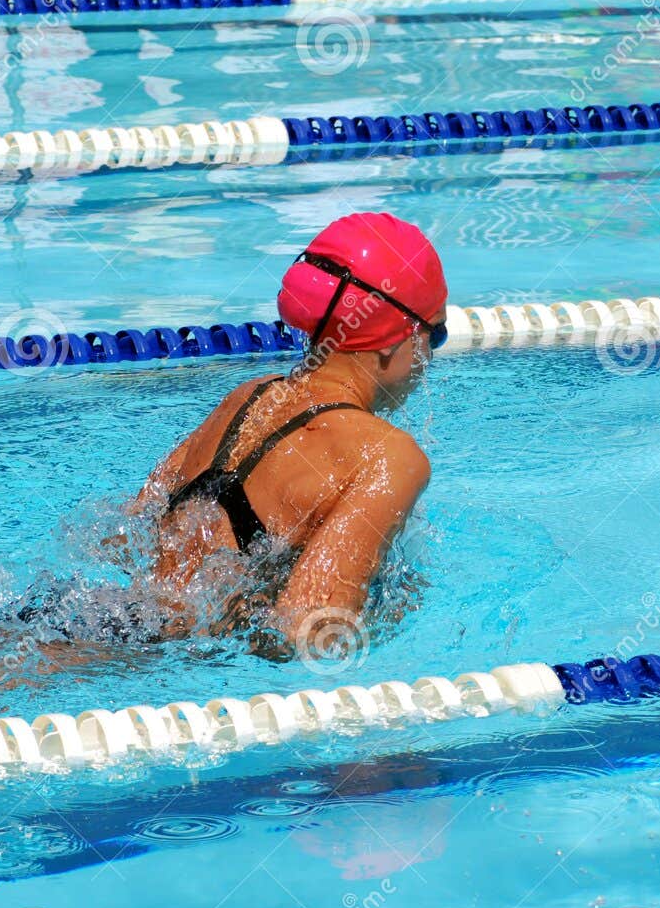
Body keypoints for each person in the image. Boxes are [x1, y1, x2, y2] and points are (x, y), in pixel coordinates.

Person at [133, 212, 447, 653]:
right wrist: (392, 615)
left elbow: (130, 533)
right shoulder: (389, 457)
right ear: (399, 335)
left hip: (122, 624)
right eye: (438, 334)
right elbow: (310, 631)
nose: (432, 357)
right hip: (166, 662)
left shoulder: (246, 398)